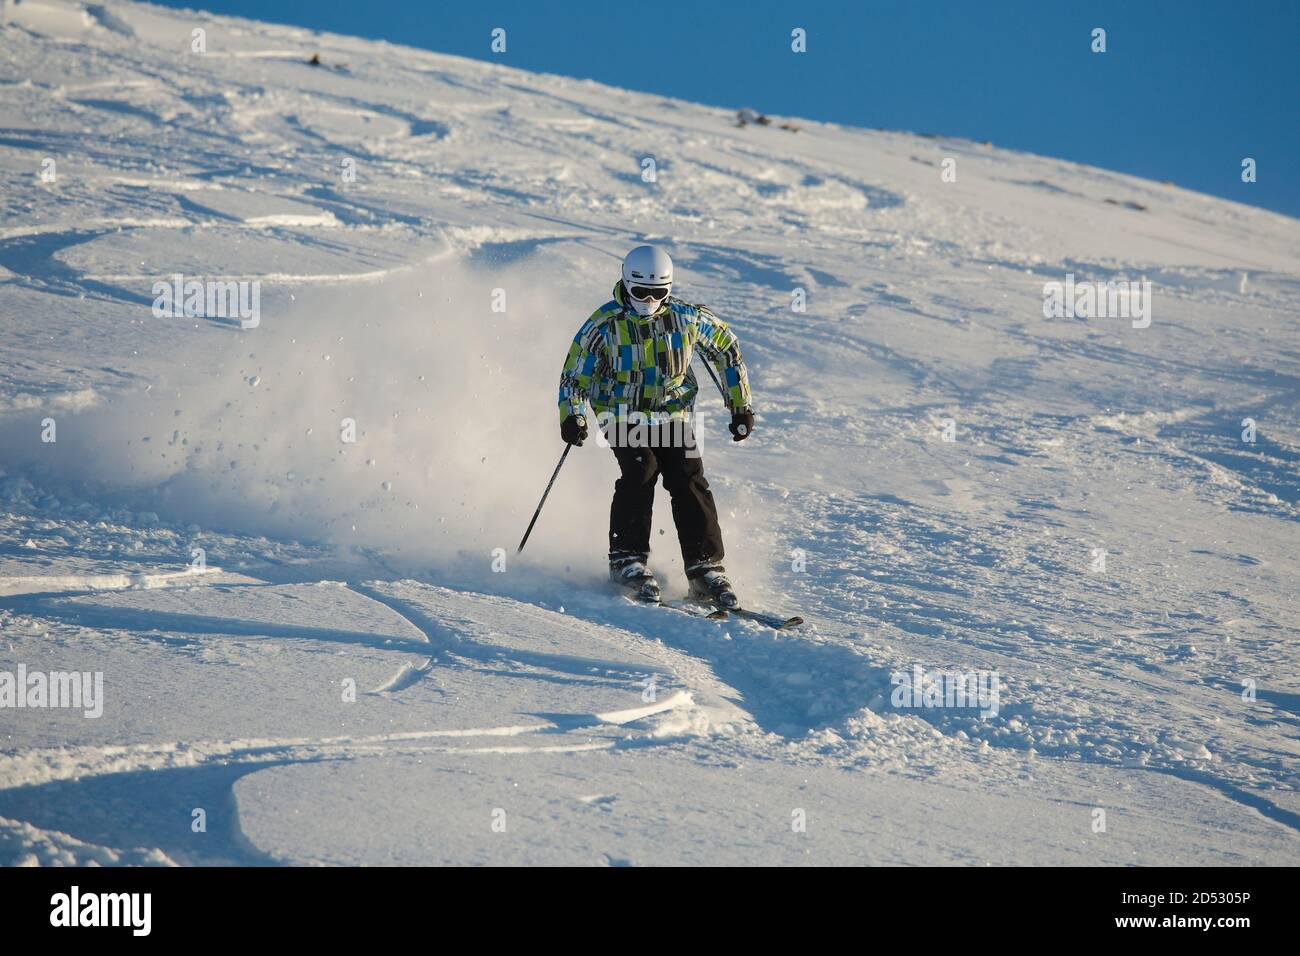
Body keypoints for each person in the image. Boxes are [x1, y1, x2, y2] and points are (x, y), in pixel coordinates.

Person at [557, 245, 755, 608]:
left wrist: (740, 405)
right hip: (620, 410)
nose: (648, 300)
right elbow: (574, 373)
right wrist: (573, 416)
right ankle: (627, 559)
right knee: (641, 469)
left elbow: (726, 348)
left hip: (672, 411)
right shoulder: (605, 323)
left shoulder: (687, 318)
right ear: (625, 283)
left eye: (658, 293)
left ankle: (705, 566)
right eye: (640, 292)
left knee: (687, 476)